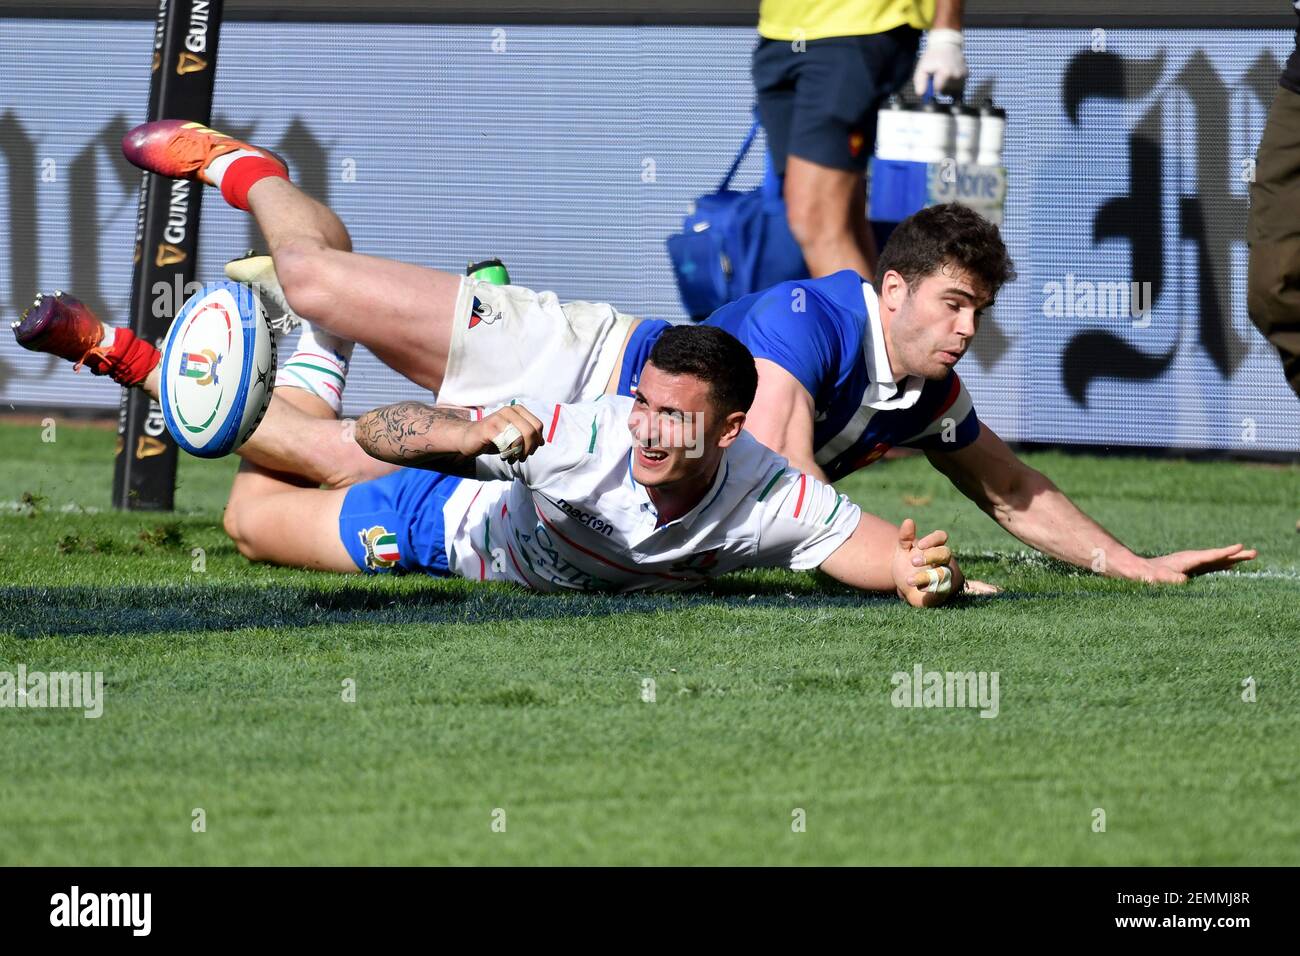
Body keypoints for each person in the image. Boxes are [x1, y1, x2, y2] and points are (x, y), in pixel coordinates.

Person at [82, 119, 1256, 585]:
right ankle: (233, 168)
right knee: (319, 283)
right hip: (582, 370)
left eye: (976, 315)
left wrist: (1126, 562)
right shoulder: (816, 320)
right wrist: (873, 556)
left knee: (303, 466)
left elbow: (1014, 489)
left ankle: (156, 363)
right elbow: (782, 469)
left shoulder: (923, 392)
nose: (964, 331)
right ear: (887, 286)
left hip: (634, 453)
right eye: (950, 304)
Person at [13, 297, 966, 605]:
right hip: (444, 510)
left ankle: (308, 337)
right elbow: (389, 436)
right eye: (643, 405)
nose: (645, 429)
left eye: (672, 419)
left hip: (460, 539)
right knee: (287, 476)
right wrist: (466, 434)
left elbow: (860, 541)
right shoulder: (587, 438)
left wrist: (915, 568)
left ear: (728, 432)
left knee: (253, 507)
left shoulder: (766, 491)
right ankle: (125, 352)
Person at [752, 0, 968, 278]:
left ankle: (855, 323)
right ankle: (877, 317)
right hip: (778, 31)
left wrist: (946, 33)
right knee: (842, 216)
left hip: (860, 27)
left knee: (814, 218)